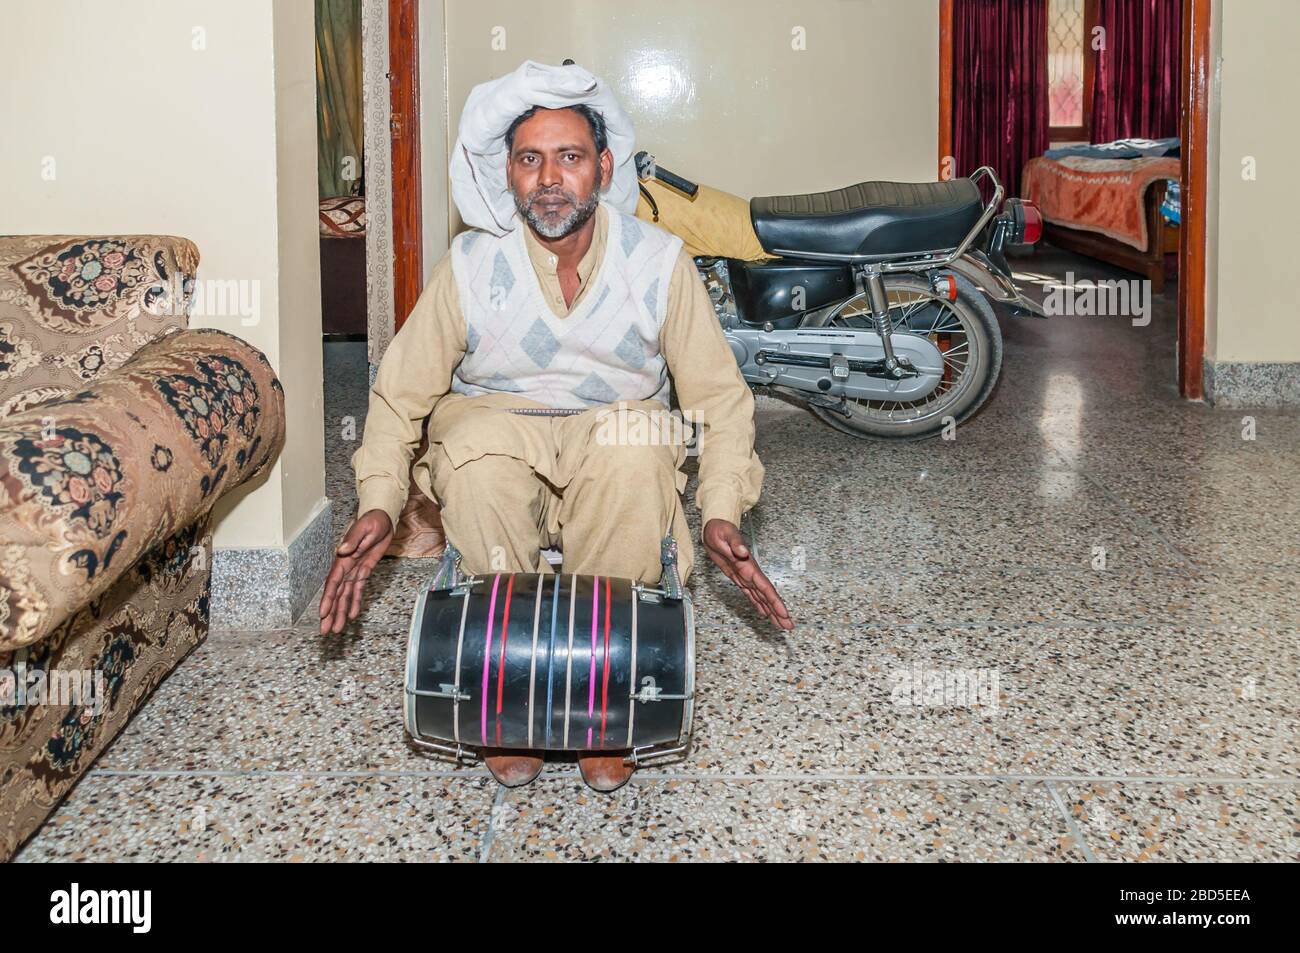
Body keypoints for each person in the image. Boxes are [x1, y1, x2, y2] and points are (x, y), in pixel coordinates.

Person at [319, 62, 792, 793]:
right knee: (473, 458)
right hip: (498, 425)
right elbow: (400, 392)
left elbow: (720, 400)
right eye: (529, 159)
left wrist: (723, 508)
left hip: (614, 426)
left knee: (633, 454)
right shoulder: (472, 265)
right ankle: (509, 696)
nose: (548, 178)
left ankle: (605, 692)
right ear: (506, 173)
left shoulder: (660, 262)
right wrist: (379, 500)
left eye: (569, 157)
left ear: (603, 167)